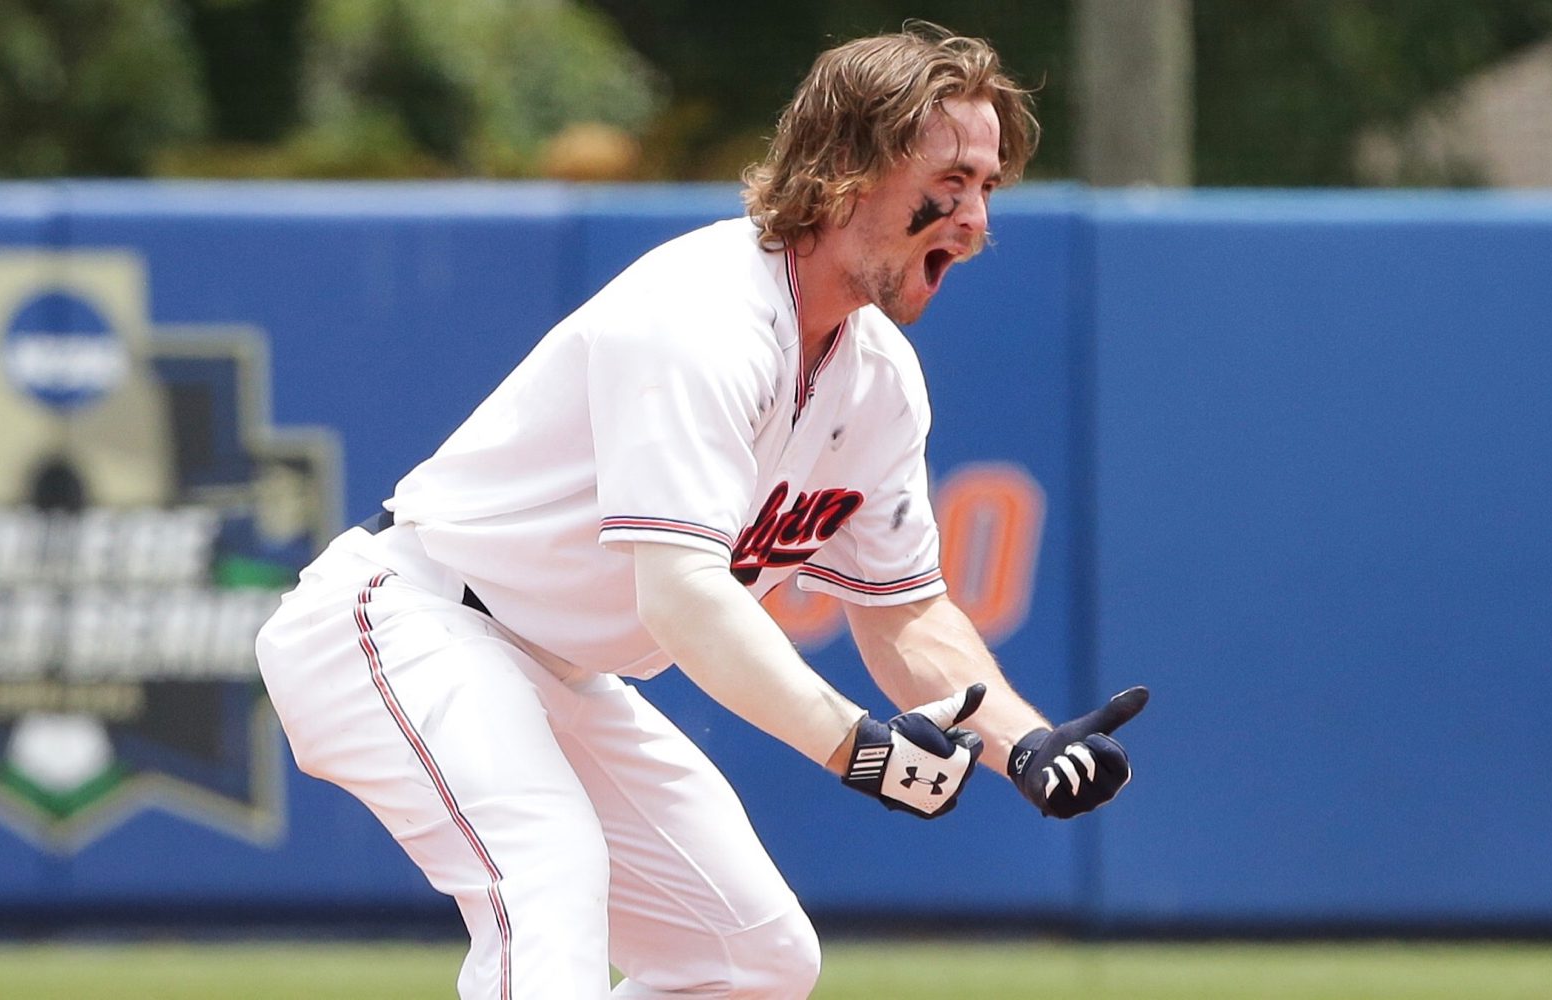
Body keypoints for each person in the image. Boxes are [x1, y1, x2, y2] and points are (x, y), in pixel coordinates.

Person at [255, 22, 1147, 999]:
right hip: (404, 617)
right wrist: (856, 746)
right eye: (954, 180)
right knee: (543, 871)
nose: (976, 220)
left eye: (988, 188)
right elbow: (683, 599)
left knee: (751, 959)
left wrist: (1020, 741)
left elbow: (903, 610)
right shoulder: (705, 314)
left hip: (554, 667)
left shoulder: (878, 381)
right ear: (847, 166)